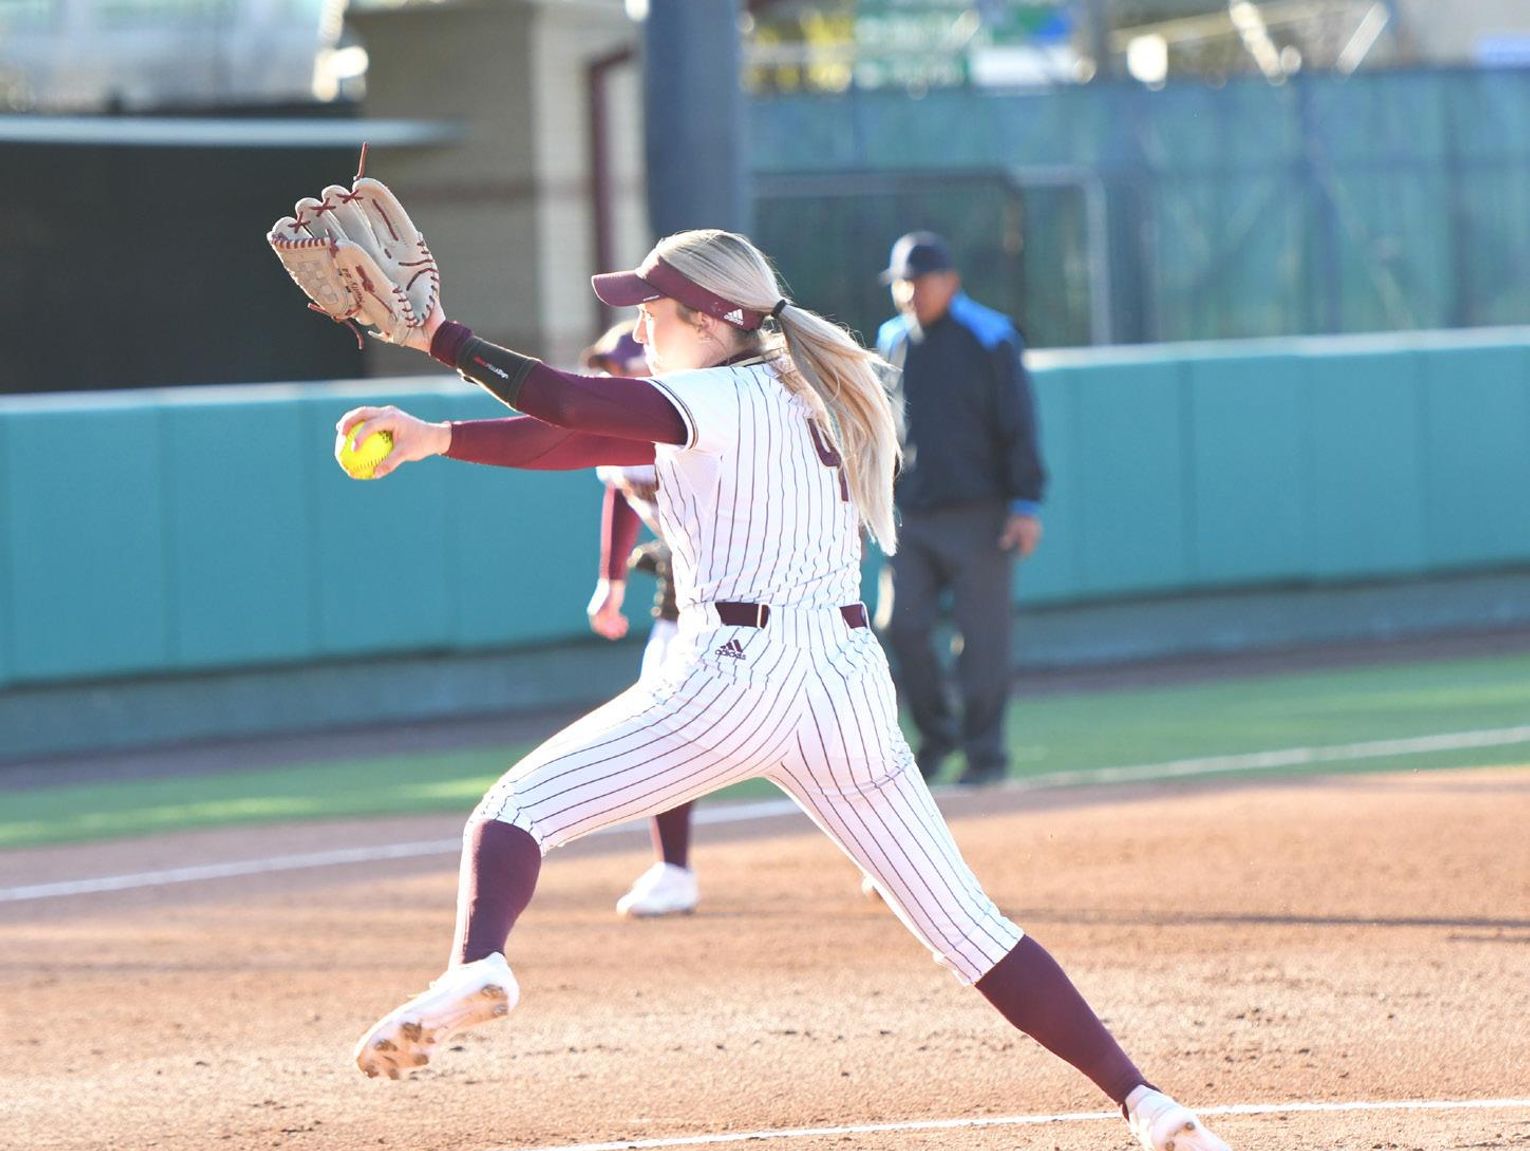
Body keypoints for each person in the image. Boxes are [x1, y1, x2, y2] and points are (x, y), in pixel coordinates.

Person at [332, 227, 1229, 1151]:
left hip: (735, 677)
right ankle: (1148, 1103)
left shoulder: (717, 394)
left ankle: (480, 964)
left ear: (708, 319)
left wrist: (447, 338)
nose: (637, 317)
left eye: (652, 303)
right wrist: (436, 436)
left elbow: (567, 399)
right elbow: (577, 434)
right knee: (971, 928)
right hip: (846, 686)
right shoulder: (807, 385)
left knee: (512, 811)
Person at [874, 231, 1046, 787]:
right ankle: (937, 735)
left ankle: (985, 755)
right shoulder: (891, 339)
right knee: (899, 627)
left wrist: (1024, 503)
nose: (908, 292)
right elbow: (882, 431)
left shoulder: (990, 335)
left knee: (982, 641)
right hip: (912, 516)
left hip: (982, 514)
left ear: (950, 282)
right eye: (901, 282)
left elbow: (1019, 424)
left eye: (919, 281)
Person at [580, 322, 698, 918]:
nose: (606, 380)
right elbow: (617, 490)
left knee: (822, 734)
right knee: (660, 716)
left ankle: (892, 859)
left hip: (755, 590)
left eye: (618, 370)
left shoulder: (692, 417)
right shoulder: (616, 429)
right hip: (695, 591)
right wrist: (611, 582)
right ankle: (673, 868)